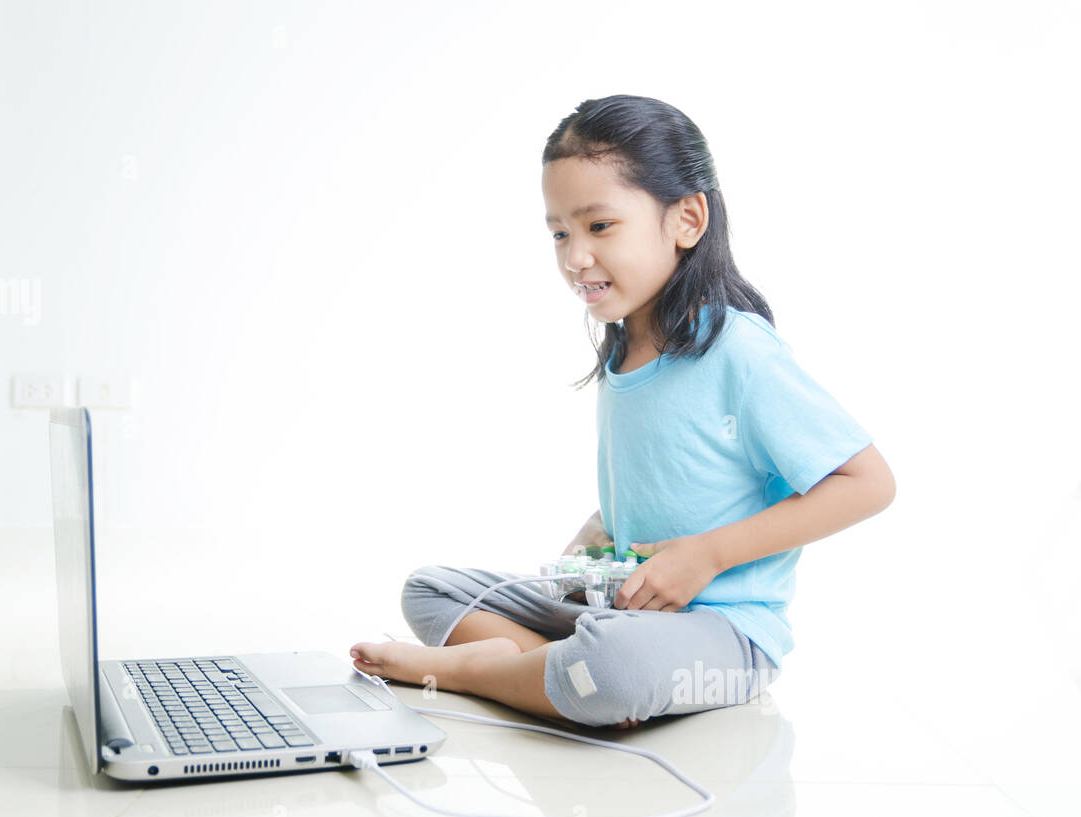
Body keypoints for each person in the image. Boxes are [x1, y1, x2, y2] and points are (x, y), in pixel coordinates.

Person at [349, 95, 896, 729]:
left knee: (612, 664)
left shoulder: (741, 352)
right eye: (559, 233)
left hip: (728, 637)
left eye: (599, 226)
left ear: (687, 219)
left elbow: (869, 483)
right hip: (628, 615)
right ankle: (563, 676)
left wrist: (707, 557)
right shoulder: (624, 348)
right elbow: (664, 478)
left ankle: (483, 672)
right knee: (431, 589)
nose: (574, 257)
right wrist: (599, 533)